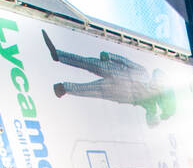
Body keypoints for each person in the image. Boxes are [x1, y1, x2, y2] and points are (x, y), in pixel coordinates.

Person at [41, 31, 177, 126]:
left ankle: (64, 88)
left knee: (90, 89)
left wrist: (160, 117)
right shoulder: (143, 73)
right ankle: (58, 55)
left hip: (116, 90)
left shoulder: (150, 103)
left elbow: (151, 119)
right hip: (113, 70)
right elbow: (126, 62)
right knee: (87, 62)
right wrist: (110, 56)